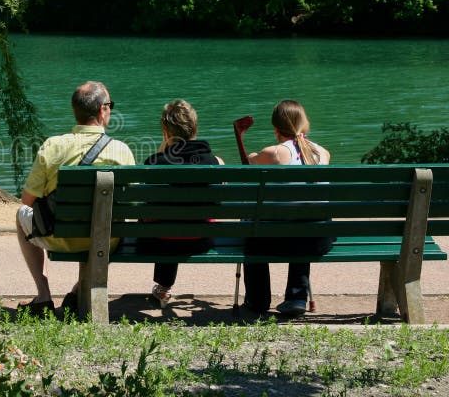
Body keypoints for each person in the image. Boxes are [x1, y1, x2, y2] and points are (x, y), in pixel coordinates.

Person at [16, 81, 135, 317]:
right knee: (111, 224)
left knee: (20, 215)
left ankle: (43, 295)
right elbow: (131, 206)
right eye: (110, 105)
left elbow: (27, 201)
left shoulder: (53, 146)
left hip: (57, 236)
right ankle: (78, 291)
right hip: (105, 242)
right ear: (102, 110)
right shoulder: (121, 151)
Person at [243, 99, 334, 316]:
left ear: (276, 128)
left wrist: (251, 154)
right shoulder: (323, 153)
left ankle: (257, 300)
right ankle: (296, 297)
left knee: (252, 228)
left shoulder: (273, 153)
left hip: (273, 241)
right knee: (304, 220)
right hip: (317, 241)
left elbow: (251, 161)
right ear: (304, 123)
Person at [141, 100, 224, 308]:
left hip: (159, 243)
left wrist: (164, 149)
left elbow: (148, 206)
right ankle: (163, 288)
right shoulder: (214, 163)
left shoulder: (154, 163)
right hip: (201, 240)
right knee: (178, 216)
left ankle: (162, 288)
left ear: (166, 132)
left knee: (164, 219)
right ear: (195, 128)